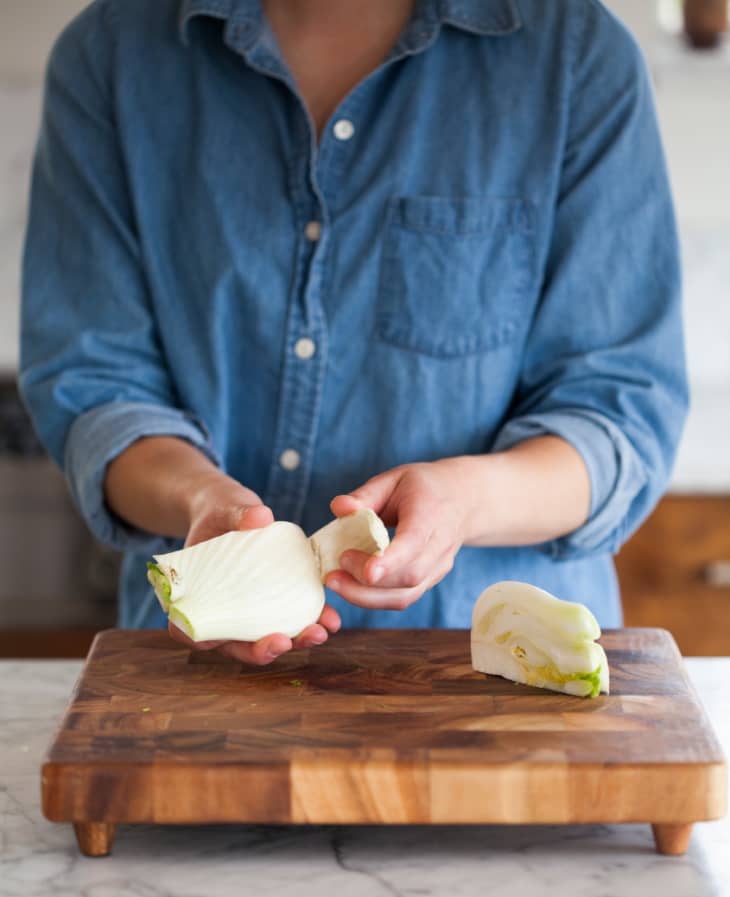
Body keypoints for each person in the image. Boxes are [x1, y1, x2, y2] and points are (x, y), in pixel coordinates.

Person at [19, 0, 688, 665]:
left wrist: (465, 500)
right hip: (200, 674)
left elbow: (619, 411)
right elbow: (94, 386)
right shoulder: (110, 55)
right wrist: (197, 498)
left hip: (495, 683)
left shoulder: (578, 57)